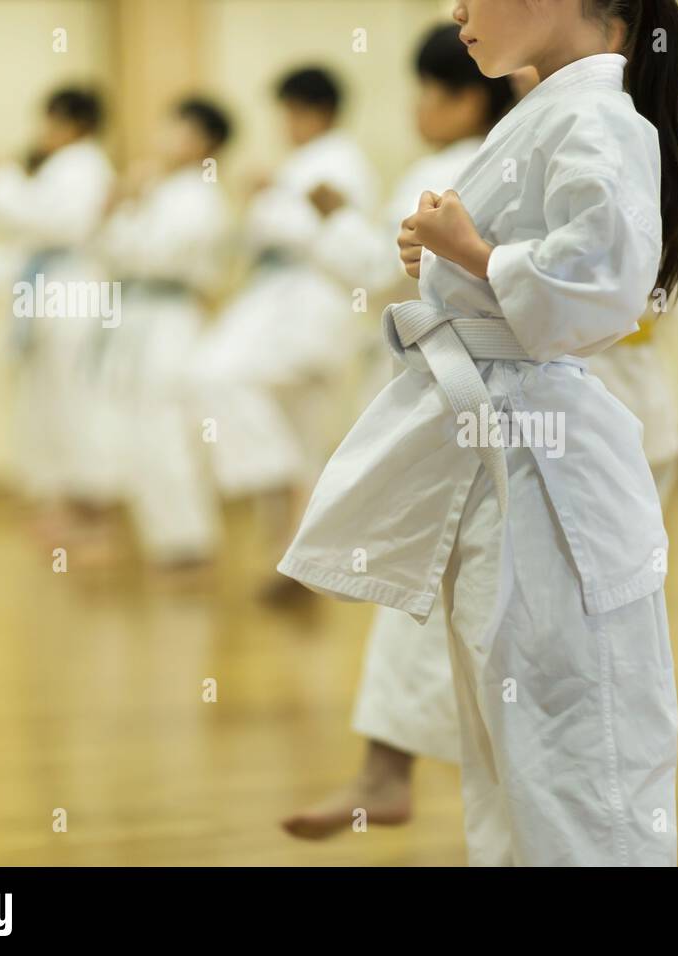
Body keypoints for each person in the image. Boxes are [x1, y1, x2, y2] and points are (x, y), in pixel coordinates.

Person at [279, 0, 678, 866]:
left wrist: (472, 255)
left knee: (571, 737)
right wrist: (444, 255)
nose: (460, 9)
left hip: (545, 450)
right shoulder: (558, 109)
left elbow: (605, 283)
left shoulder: (599, 114)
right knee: (513, 743)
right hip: (499, 434)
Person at [282, 24, 516, 837]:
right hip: (470, 400)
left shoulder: (466, 163)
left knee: (459, 595)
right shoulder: (510, 148)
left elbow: (389, 267)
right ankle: (384, 771)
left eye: (433, 90)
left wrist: (336, 219)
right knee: (423, 585)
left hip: (486, 404)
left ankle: (391, 775)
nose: (419, 106)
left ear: (473, 93)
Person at [191, 67, 376, 587]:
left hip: (312, 298)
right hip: (279, 298)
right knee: (297, 427)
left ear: (316, 111)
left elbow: (329, 231)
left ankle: (283, 488)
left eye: (291, 112)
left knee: (219, 375)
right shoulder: (302, 163)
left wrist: (275, 194)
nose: (285, 124)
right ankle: (297, 560)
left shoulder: (340, 161)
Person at [0, 87, 116, 547]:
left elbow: (46, 220)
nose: (43, 133)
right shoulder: (64, 168)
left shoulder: (83, 164)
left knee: (74, 398)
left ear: (76, 124)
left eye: (52, 122)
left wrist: (0, 179)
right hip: (48, 289)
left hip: (73, 292)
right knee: (43, 399)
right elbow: (25, 230)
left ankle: (95, 513)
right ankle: (61, 503)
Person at [99, 97, 234, 570]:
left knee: (170, 426)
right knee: (141, 426)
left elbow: (153, 255)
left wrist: (128, 205)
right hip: (141, 315)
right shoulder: (165, 190)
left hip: (173, 316)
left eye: (174, 127)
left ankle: (189, 540)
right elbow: (114, 252)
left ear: (202, 140)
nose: (163, 137)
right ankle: (164, 540)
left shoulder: (201, 195)